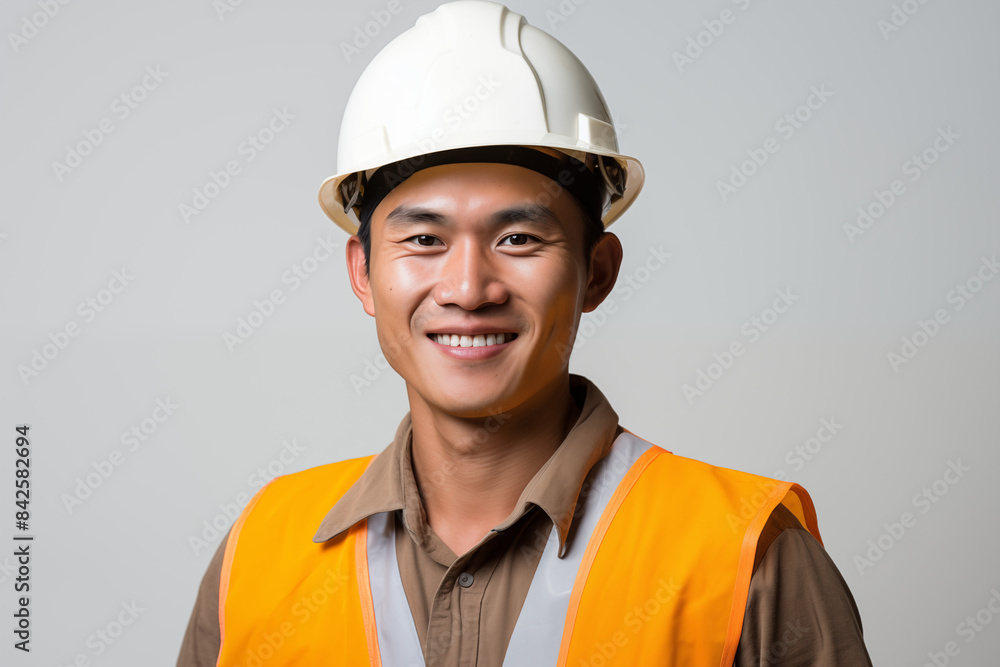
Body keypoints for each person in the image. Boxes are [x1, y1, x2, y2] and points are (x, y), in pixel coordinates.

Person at [177, 1, 872, 665]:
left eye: (517, 237)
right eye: (424, 238)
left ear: (596, 272)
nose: (468, 288)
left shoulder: (744, 552)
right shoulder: (263, 550)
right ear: (362, 271)